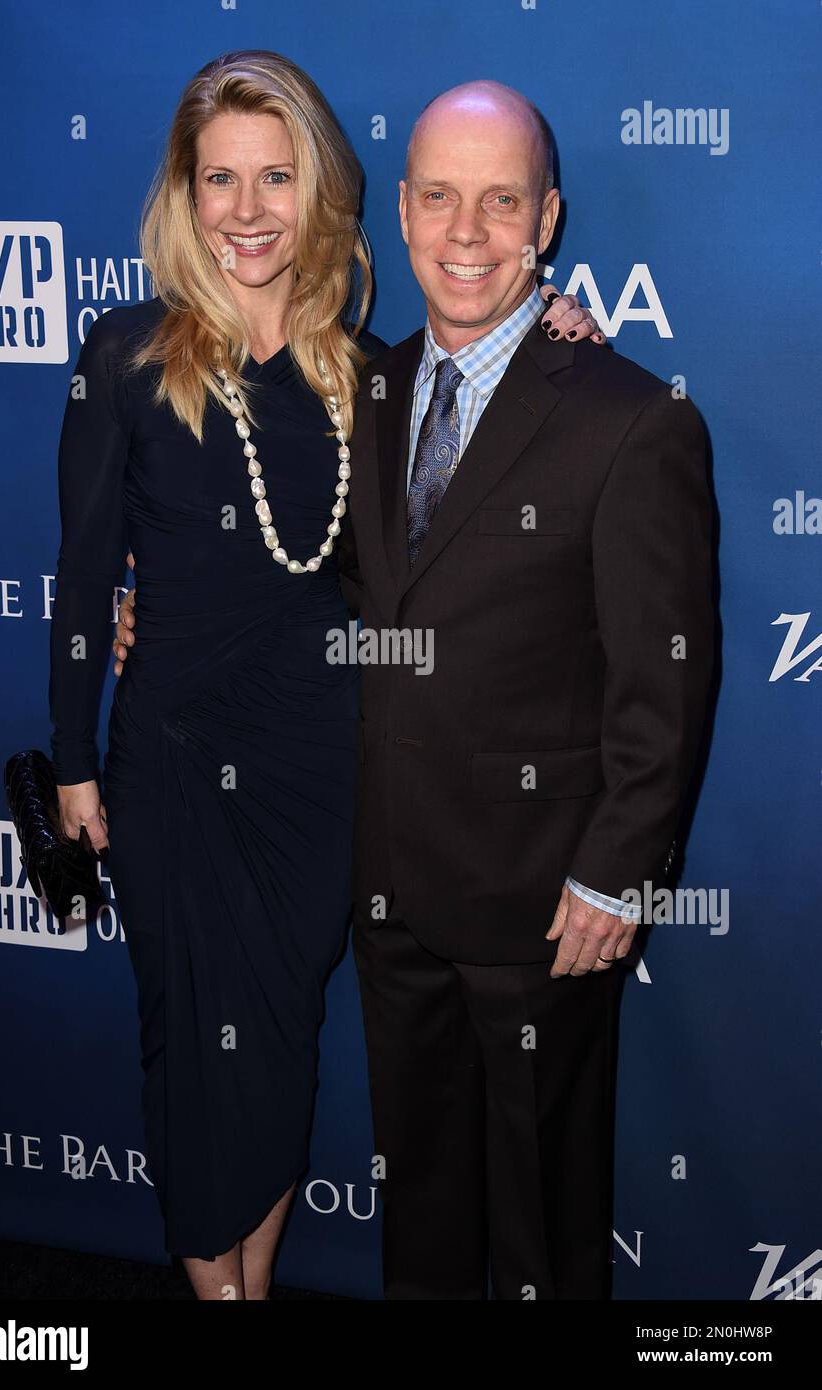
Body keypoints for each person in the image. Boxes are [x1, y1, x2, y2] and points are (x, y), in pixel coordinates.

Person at [52, 51, 600, 1301]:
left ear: (324, 192)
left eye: (276, 177)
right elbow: (83, 579)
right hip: (178, 767)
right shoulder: (127, 354)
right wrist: (74, 758)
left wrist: (560, 323)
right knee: (195, 1061)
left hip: (317, 770)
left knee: (280, 1053)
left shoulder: (370, 372)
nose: (247, 209)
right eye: (218, 180)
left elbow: (494, 401)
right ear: (183, 198)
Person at [338, 80, 715, 1300]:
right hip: (393, 897)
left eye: (500, 202)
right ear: (399, 211)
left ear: (546, 218)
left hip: (546, 914)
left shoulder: (627, 416)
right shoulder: (364, 392)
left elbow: (665, 674)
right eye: (440, 197)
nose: (465, 232)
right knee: (427, 1224)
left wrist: (619, 868)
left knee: (545, 1238)